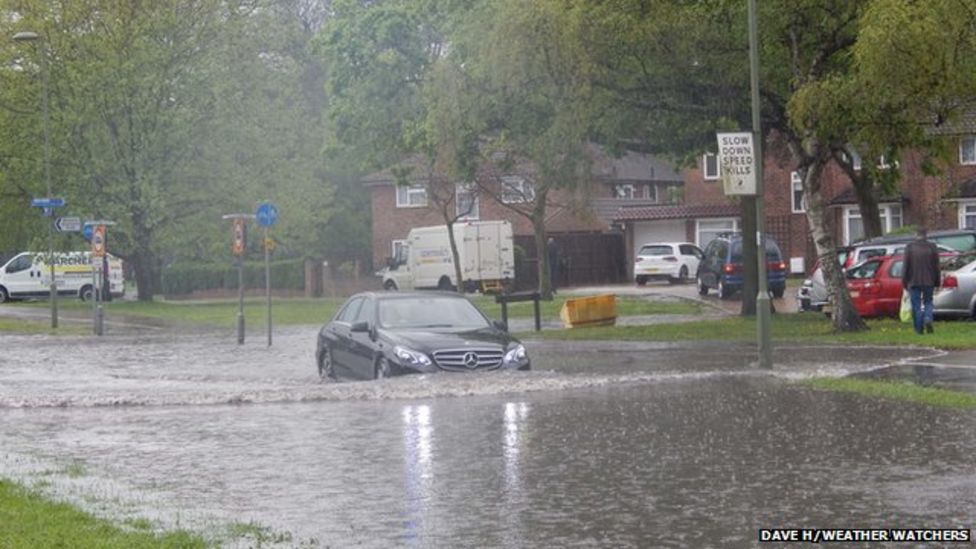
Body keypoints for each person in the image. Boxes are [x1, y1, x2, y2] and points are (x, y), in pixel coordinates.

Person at [901, 227, 941, 334]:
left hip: (913, 281)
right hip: (929, 280)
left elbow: (906, 266)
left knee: (916, 305)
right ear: (926, 235)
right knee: (928, 302)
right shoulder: (932, 247)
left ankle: (919, 329)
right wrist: (937, 282)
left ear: (916, 234)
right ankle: (928, 318)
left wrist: (904, 282)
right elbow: (936, 266)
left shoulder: (910, 247)